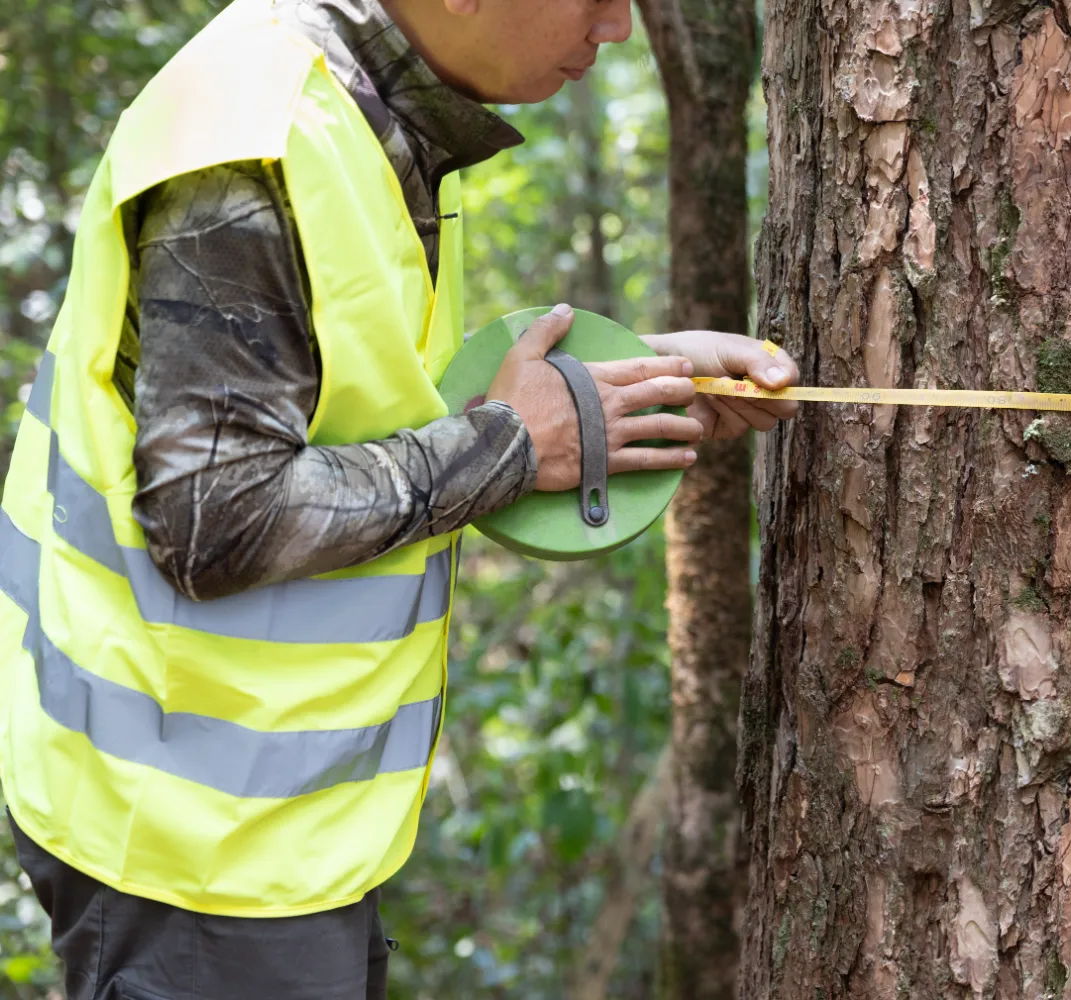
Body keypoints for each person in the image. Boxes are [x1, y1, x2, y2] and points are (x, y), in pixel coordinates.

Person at [0, 0, 797, 996]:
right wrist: (505, 444)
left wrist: (613, 391)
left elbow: (342, 407)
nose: (617, 30)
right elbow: (211, 515)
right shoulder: (256, 142)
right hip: (190, 852)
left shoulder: (374, 112)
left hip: (269, 832)